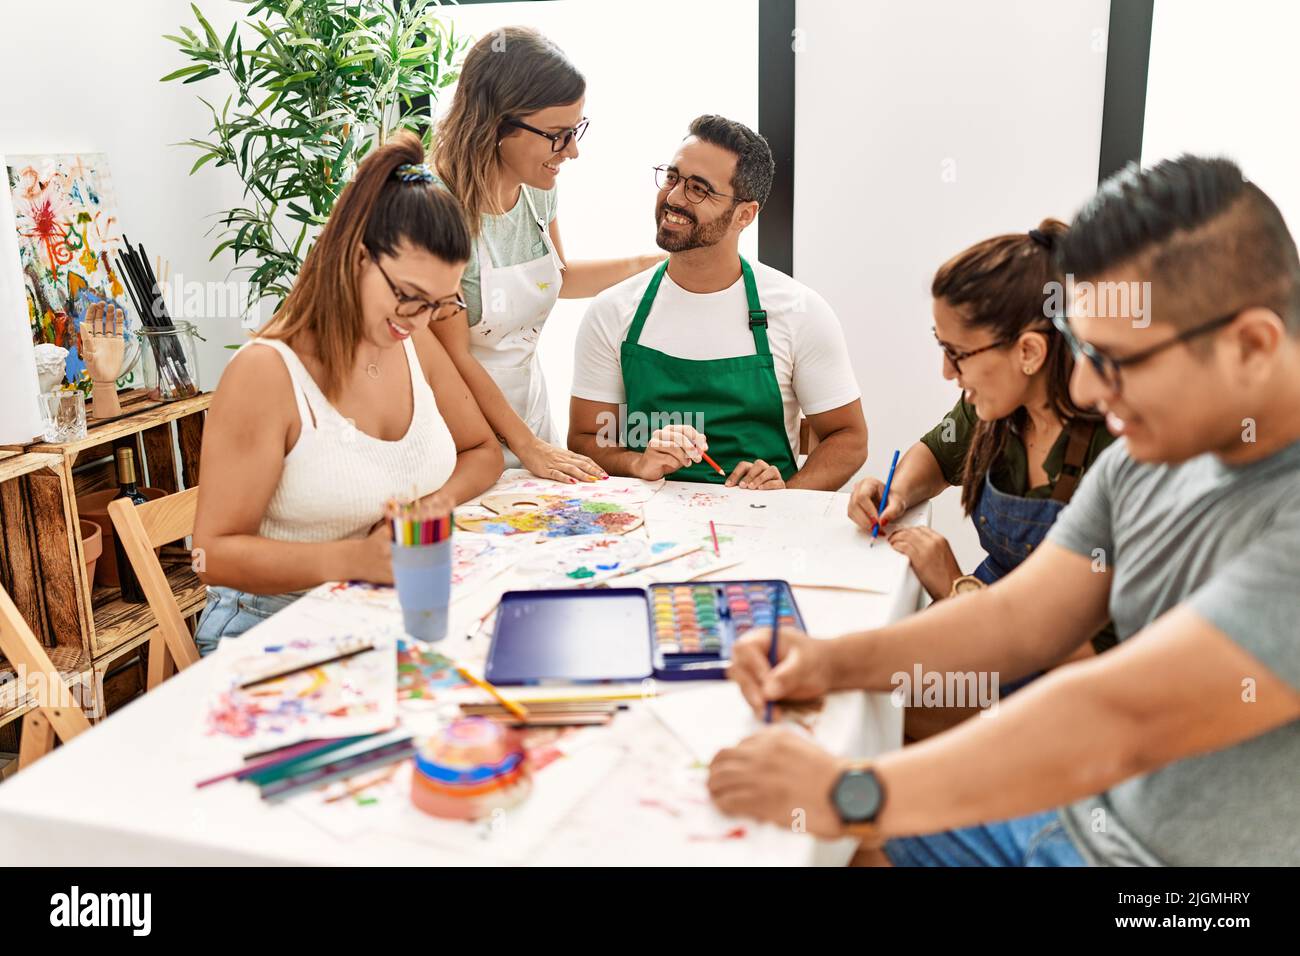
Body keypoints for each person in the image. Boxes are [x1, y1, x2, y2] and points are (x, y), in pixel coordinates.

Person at [708, 154, 1300, 866]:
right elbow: (1018, 620)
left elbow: (1119, 717)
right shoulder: (1142, 459)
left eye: (1115, 360)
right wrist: (829, 662)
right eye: (1081, 351)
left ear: (1251, 345)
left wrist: (846, 792)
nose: (1083, 384)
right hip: (1079, 816)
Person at [192, 133, 503, 654]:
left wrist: (423, 511)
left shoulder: (412, 340)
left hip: (377, 611)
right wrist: (354, 559)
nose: (419, 318)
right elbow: (213, 555)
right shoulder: (267, 373)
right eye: (407, 295)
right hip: (272, 626)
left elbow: (484, 452)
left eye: (438, 303)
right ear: (357, 257)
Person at [847, 221, 1118, 737]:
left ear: (1030, 352)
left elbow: (1094, 669)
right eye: (940, 345)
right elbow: (933, 453)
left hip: (1063, 673)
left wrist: (958, 589)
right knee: (861, 691)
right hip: (990, 623)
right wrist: (897, 492)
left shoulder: (1115, 457)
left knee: (883, 715)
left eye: (959, 354)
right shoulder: (995, 408)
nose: (948, 373)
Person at [569, 115, 866, 491]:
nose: (674, 198)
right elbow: (585, 438)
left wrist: (788, 495)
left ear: (745, 214)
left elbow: (848, 438)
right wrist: (638, 461)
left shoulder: (800, 312)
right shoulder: (611, 311)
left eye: (699, 189)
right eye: (673, 177)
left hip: (763, 529)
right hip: (650, 534)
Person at [429, 26, 665, 483]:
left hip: (530, 417)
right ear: (496, 123)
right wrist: (526, 446)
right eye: (558, 134)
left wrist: (653, 266)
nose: (572, 151)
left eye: (576, 131)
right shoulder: (437, 210)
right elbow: (453, 357)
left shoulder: (537, 192)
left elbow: (559, 277)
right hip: (461, 433)